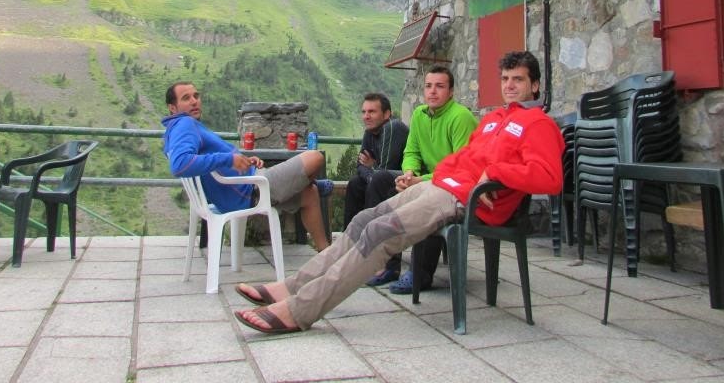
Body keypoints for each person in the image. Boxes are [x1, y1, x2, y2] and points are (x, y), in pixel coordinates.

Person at [233, 50, 563, 334]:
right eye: (505, 79)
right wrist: (423, 178)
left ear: (534, 85)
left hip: (469, 201)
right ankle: (290, 287)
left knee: (380, 233)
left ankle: (299, 310)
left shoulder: (539, 124)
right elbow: (460, 159)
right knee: (363, 220)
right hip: (441, 186)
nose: (509, 86)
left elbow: (550, 179)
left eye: (518, 80)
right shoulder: (494, 120)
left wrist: (497, 172)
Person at [162, 81, 330, 251]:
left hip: (247, 184)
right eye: (186, 98)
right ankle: (312, 182)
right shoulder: (185, 124)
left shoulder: (177, 128)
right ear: (173, 108)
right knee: (315, 157)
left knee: (310, 194)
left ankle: (325, 252)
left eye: (196, 96)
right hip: (251, 189)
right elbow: (180, 164)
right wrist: (229, 159)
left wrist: (245, 161)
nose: (194, 101)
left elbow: (206, 160)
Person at [388, 64, 478, 294]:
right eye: (428, 86)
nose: (433, 91)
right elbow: (411, 151)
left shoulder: (460, 117)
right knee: (379, 181)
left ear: (451, 92)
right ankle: (388, 264)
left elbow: (460, 167)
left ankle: (421, 275)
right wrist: (409, 173)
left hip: (454, 186)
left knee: (430, 202)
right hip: (425, 178)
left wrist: (421, 181)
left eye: (439, 86)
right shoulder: (419, 114)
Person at [342, 93, 410, 286]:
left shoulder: (393, 128)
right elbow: (360, 166)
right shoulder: (370, 132)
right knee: (356, 183)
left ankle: (387, 264)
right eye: (364, 112)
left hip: (406, 183)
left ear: (386, 114)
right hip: (384, 181)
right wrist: (372, 172)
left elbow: (385, 169)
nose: (366, 116)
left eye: (372, 111)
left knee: (378, 181)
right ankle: (350, 249)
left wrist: (373, 170)